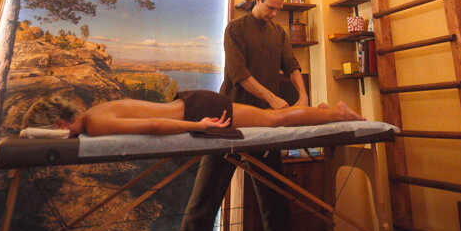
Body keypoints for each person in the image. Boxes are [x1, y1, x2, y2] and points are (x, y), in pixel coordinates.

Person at [169, 0, 326, 231]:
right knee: (203, 204)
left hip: (264, 125)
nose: (274, 14)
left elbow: (291, 65)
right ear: (257, 0)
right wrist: (273, 99)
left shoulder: (279, 33)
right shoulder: (235, 29)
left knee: (275, 198)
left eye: (279, 10)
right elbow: (239, 73)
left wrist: (303, 95)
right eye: (271, 8)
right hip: (228, 121)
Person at [24, 88, 363, 138]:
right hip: (191, 100)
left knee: (275, 120)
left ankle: (338, 114)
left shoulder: (95, 124)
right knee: (273, 118)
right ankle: (322, 112)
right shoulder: (95, 111)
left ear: (59, 124)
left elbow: (155, 125)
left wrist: (197, 125)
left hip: (199, 109)